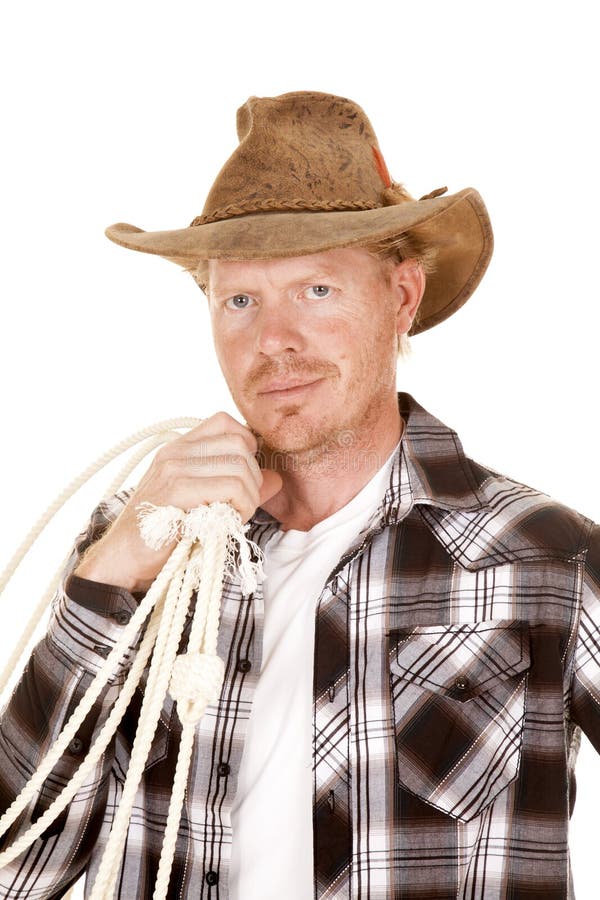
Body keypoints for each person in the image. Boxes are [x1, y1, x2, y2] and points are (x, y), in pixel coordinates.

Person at [0, 90, 598, 900]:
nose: (274, 340)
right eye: (240, 300)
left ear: (402, 299)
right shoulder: (151, 561)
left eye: (316, 291)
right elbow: (16, 864)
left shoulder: (540, 554)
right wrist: (112, 569)